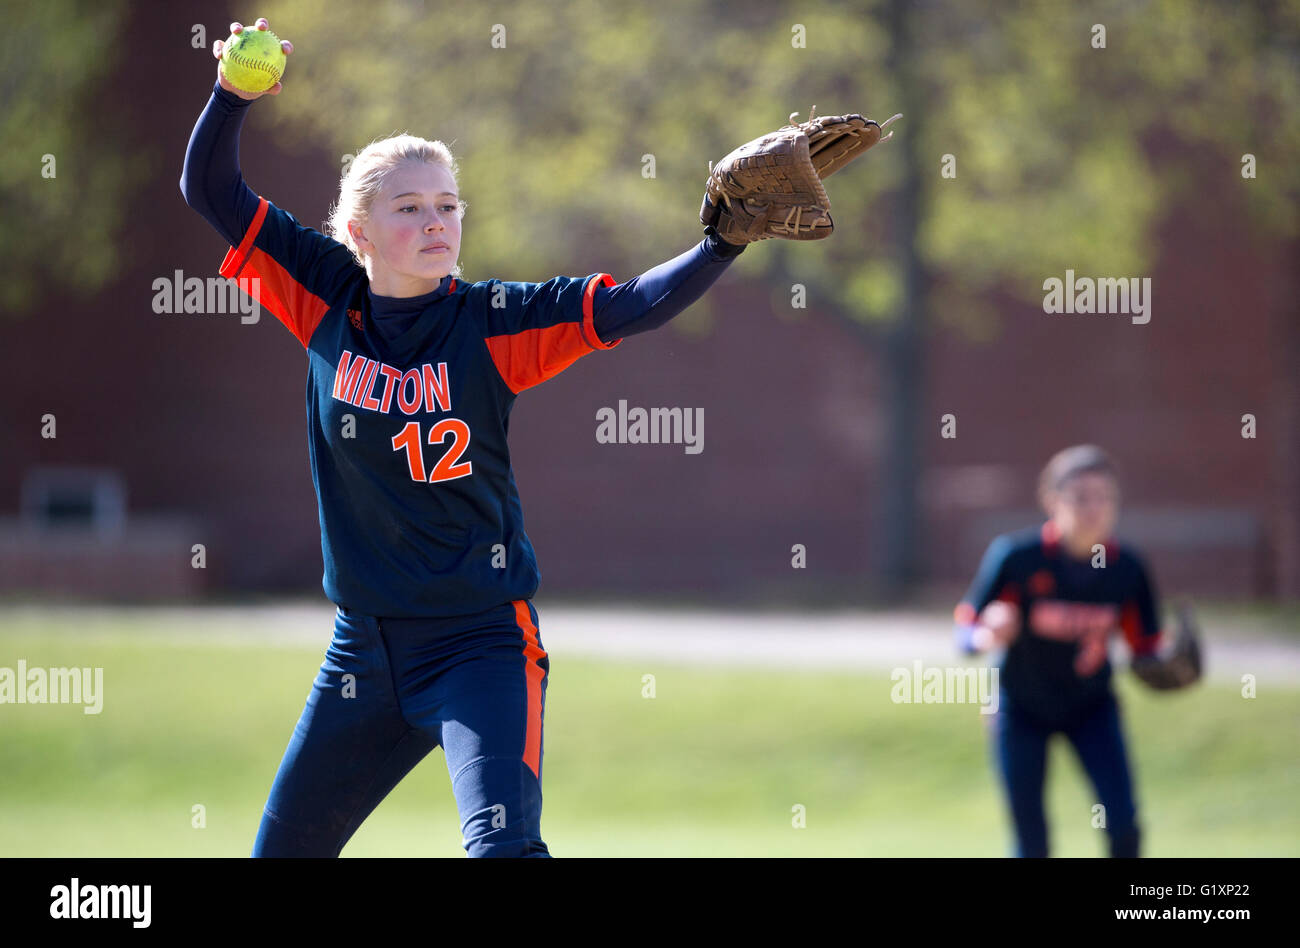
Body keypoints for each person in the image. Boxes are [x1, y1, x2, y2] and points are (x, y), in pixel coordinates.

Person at [180, 17, 748, 857]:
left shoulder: (492, 323)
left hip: (480, 642)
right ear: (358, 232)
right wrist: (232, 95)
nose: (436, 222)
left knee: (504, 853)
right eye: (409, 208)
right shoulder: (324, 294)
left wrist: (721, 241)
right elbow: (210, 190)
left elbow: (635, 304)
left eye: (448, 205)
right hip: (361, 652)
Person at [954, 444, 1165, 857]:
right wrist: (986, 636)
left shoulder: (1128, 569)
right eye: (1080, 496)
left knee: (1123, 826)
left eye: (1104, 497)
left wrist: (1169, 663)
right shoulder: (1018, 559)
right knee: (1032, 841)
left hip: (1092, 707)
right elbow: (965, 630)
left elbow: (1147, 647)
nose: (1093, 508)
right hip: (1022, 708)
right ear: (1052, 500)